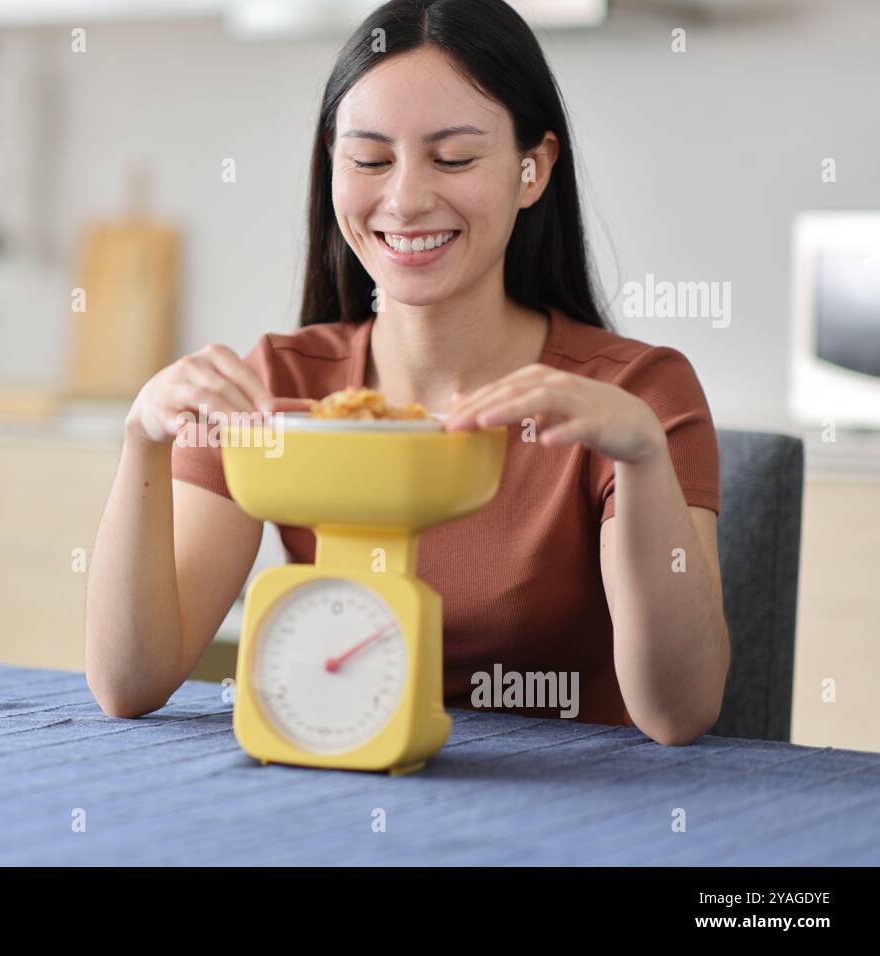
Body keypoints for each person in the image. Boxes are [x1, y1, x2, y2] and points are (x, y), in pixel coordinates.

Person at [85, 0, 729, 746]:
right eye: (369, 160)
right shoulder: (273, 391)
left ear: (533, 169)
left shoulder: (636, 397)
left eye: (453, 158)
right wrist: (142, 439)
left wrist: (645, 458)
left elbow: (680, 712)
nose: (406, 199)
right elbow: (129, 682)